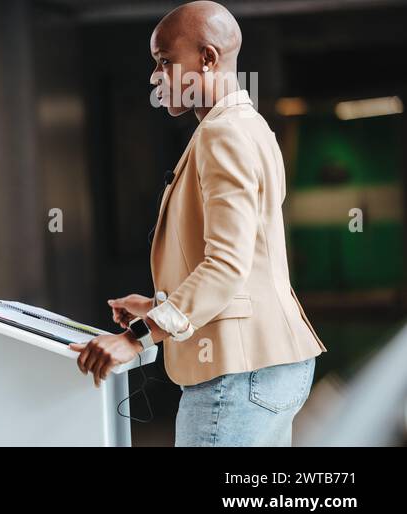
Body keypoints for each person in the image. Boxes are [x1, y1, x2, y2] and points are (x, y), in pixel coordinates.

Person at [70, 1, 324, 446]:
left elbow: (226, 266)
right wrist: (160, 304)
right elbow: (249, 262)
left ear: (207, 58)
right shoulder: (251, 125)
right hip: (267, 364)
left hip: (237, 373)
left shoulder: (222, 134)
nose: (155, 76)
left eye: (164, 61)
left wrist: (137, 337)